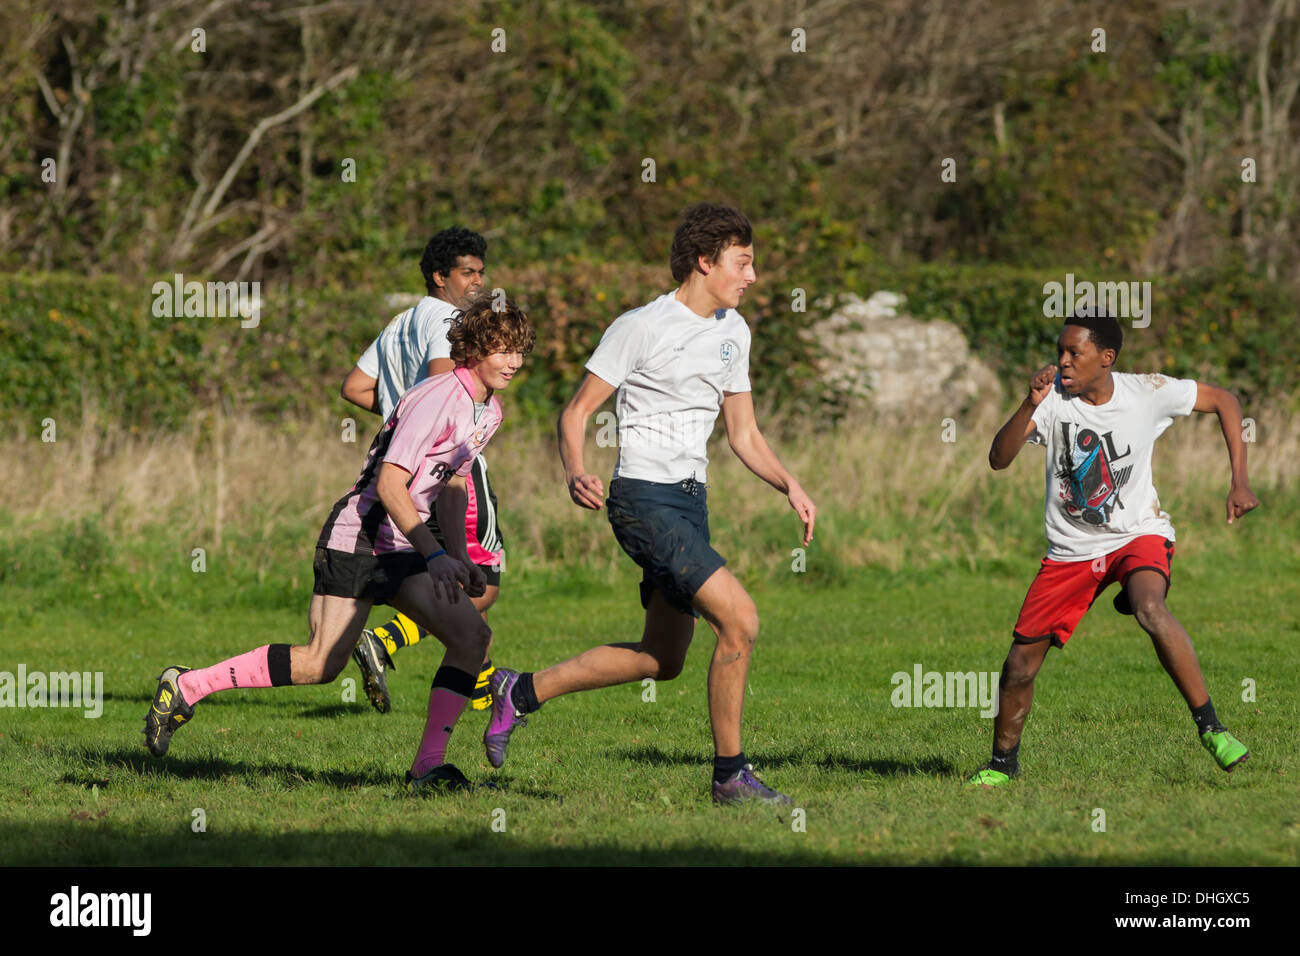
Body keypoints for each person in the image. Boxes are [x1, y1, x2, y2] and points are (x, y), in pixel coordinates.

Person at [481, 202, 816, 806]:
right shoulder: (640, 326)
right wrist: (576, 469)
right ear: (704, 261)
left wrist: (788, 483)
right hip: (642, 501)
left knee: (664, 659)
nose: (753, 276)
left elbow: (742, 433)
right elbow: (577, 411)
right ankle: (730, 776)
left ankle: (520, 691)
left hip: (691, 504)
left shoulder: (733, 333)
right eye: (743, 263)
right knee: (740, 622)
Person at [143, 295, 535, 793]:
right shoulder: (439, 397)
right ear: (473, 348)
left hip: (405, 543)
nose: (514, 361)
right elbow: (392, 485)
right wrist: (434, 554)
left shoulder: (490, 410)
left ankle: (427, 768)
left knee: (472, 637)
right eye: (503, 350)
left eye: (519, 351)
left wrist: (458, 554)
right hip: (360, 538)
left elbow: (454, 483)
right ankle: (188, 685)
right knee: (320, 665)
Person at [968, 311, 1258, 787]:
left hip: (1136, 534)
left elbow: (1225, 400)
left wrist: (1239, 480)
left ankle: (1212, 728)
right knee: (1019, 667)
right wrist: (1028, 402)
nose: (1062, 361)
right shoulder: (1051, 400)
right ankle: (1002, 764)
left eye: (1073, 353)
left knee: (1149, 606)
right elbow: (998, 459)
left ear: (1106, 359)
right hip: (1070, 552)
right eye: (1059, 351)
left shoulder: (1147, 391)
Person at [341, 226, 504, 713]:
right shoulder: (449, 320)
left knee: (450, 578)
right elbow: (445, 390)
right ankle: (393, 643)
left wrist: (398, 418)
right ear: (439, 276)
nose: (478, 282)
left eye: (480, 272)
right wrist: (425, 429)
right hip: (448, 469)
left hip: (404, 468)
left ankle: (477, 686)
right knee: (483, 581)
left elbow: (353, 387)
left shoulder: (400, 321)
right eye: (466, 272)